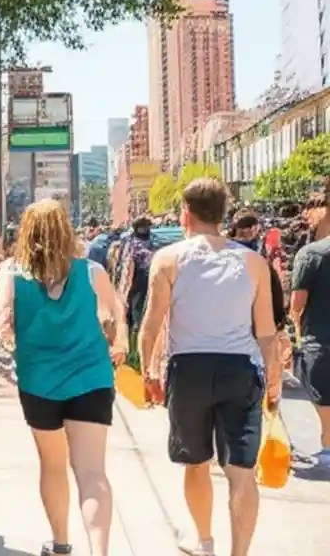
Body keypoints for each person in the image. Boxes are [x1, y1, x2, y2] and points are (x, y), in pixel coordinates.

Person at [138, 178, 280, 556]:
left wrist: (149, 373)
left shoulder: (168, 259)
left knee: (196, 462)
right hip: (241, 370)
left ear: (185, 214)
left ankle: (203, 541)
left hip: (190, 371)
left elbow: (152, 324)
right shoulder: (254, 263)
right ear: (223, 215)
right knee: (242, 471)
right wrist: (275, 379)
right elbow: (266, 333)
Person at [0, 200, 127, 556]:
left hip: (39, 383)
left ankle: (62, 543)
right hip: (91, 380)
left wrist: (8, 332)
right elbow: (113, 317)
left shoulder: (11, 273)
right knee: (92, 473)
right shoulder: (92, 271)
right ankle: (100, 551)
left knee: (52, 464)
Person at [290, 192, 330, 470]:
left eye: (312, 206)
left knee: (324, 400)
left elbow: (297, 304)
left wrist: (295, 335)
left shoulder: (311, 254)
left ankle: (327, 446)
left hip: (321, 341)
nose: (306, 214)